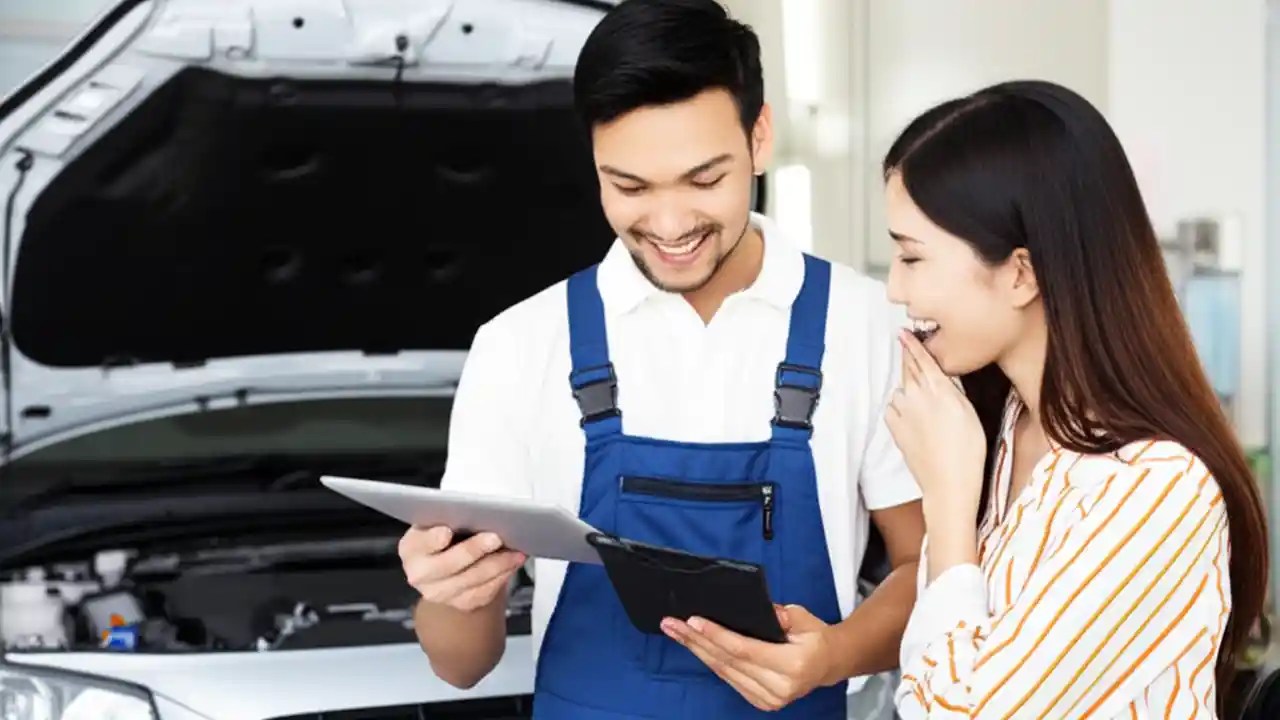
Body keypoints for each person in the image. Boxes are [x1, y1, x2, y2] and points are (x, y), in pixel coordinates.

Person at [396, 0, 925, 717]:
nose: (671, 226)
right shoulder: (520, 345)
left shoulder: (865, 324)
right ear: (593, 159)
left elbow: (928, 567)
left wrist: (833, 655)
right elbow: (461, 665)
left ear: (759, 137)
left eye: (704, 180)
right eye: (630, 187)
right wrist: (449, 593)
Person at [880, 79, 1270, 719]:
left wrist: (948, 507)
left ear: (1021, 274)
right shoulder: (998, 426)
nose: (896, 288)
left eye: (912, 258)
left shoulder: (1158, 489)